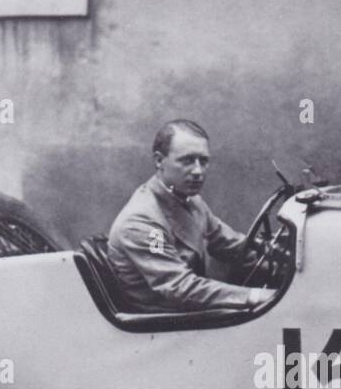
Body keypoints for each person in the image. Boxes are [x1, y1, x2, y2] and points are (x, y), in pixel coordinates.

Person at [106, 120, 276, 312]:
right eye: (187, 160)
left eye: (203, 161)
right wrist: (256, 295)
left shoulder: (191, 201)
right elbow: (180, 287)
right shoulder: (141, 221)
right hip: (163, 325)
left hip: (187, 315)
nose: (198, 171)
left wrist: (283, 263)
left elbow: (232, 246)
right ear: (159, 160)